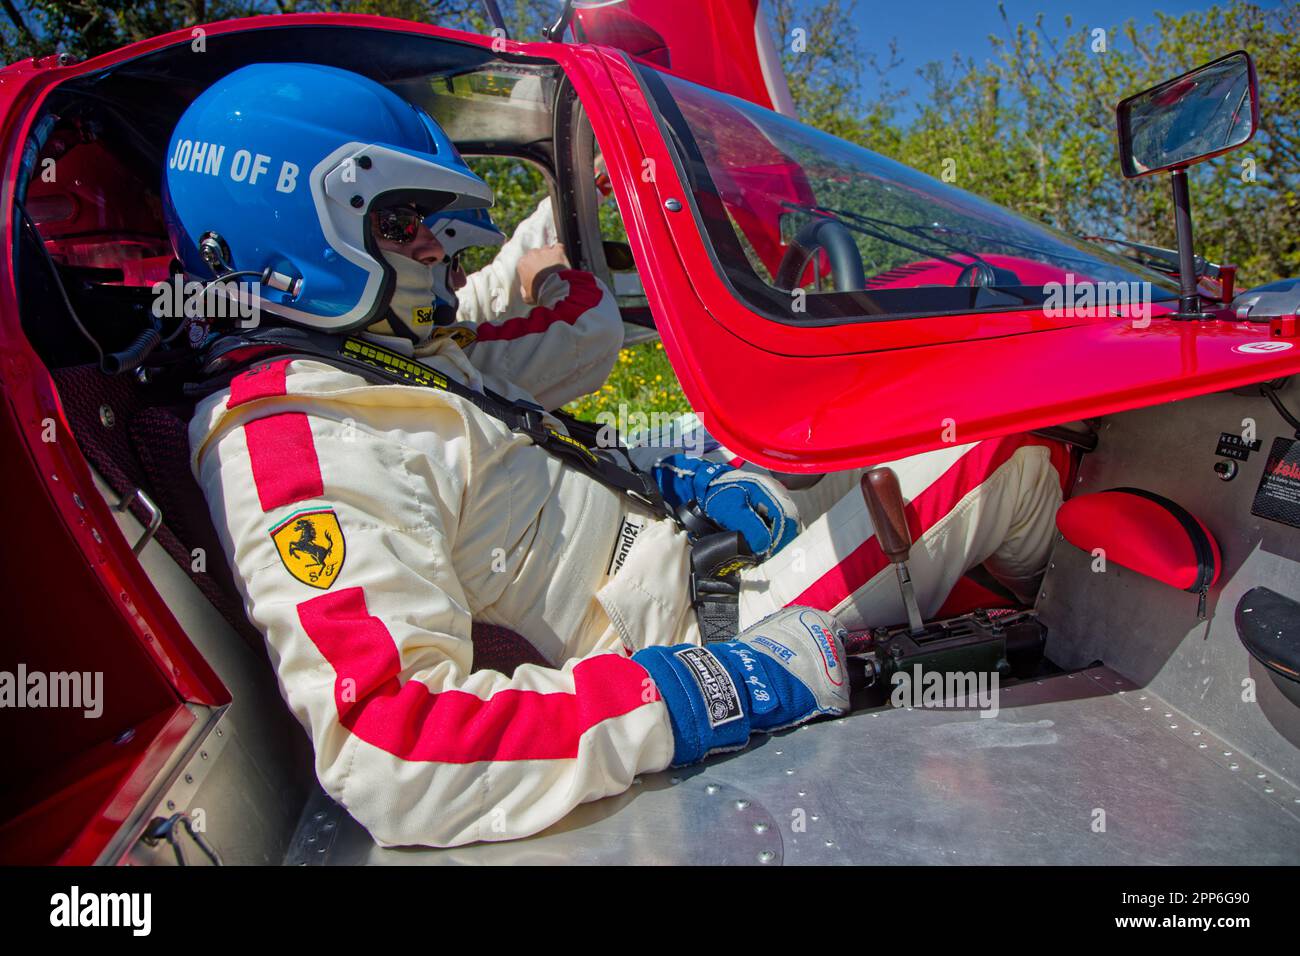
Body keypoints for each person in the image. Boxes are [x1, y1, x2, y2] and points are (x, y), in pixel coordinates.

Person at [171, 63, 1068, 848]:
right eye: (407, 220)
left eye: (437, 222)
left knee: (882, 404)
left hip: (685, 559)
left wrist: (689, 480)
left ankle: (984, 615)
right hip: (697, 641)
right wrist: (715, 690)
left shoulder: (386, 357)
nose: (437, 250)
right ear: (301, 224)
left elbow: (541, 367)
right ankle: (1067, 647)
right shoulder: (294, 441)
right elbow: (399, 752)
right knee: (1000, 451)